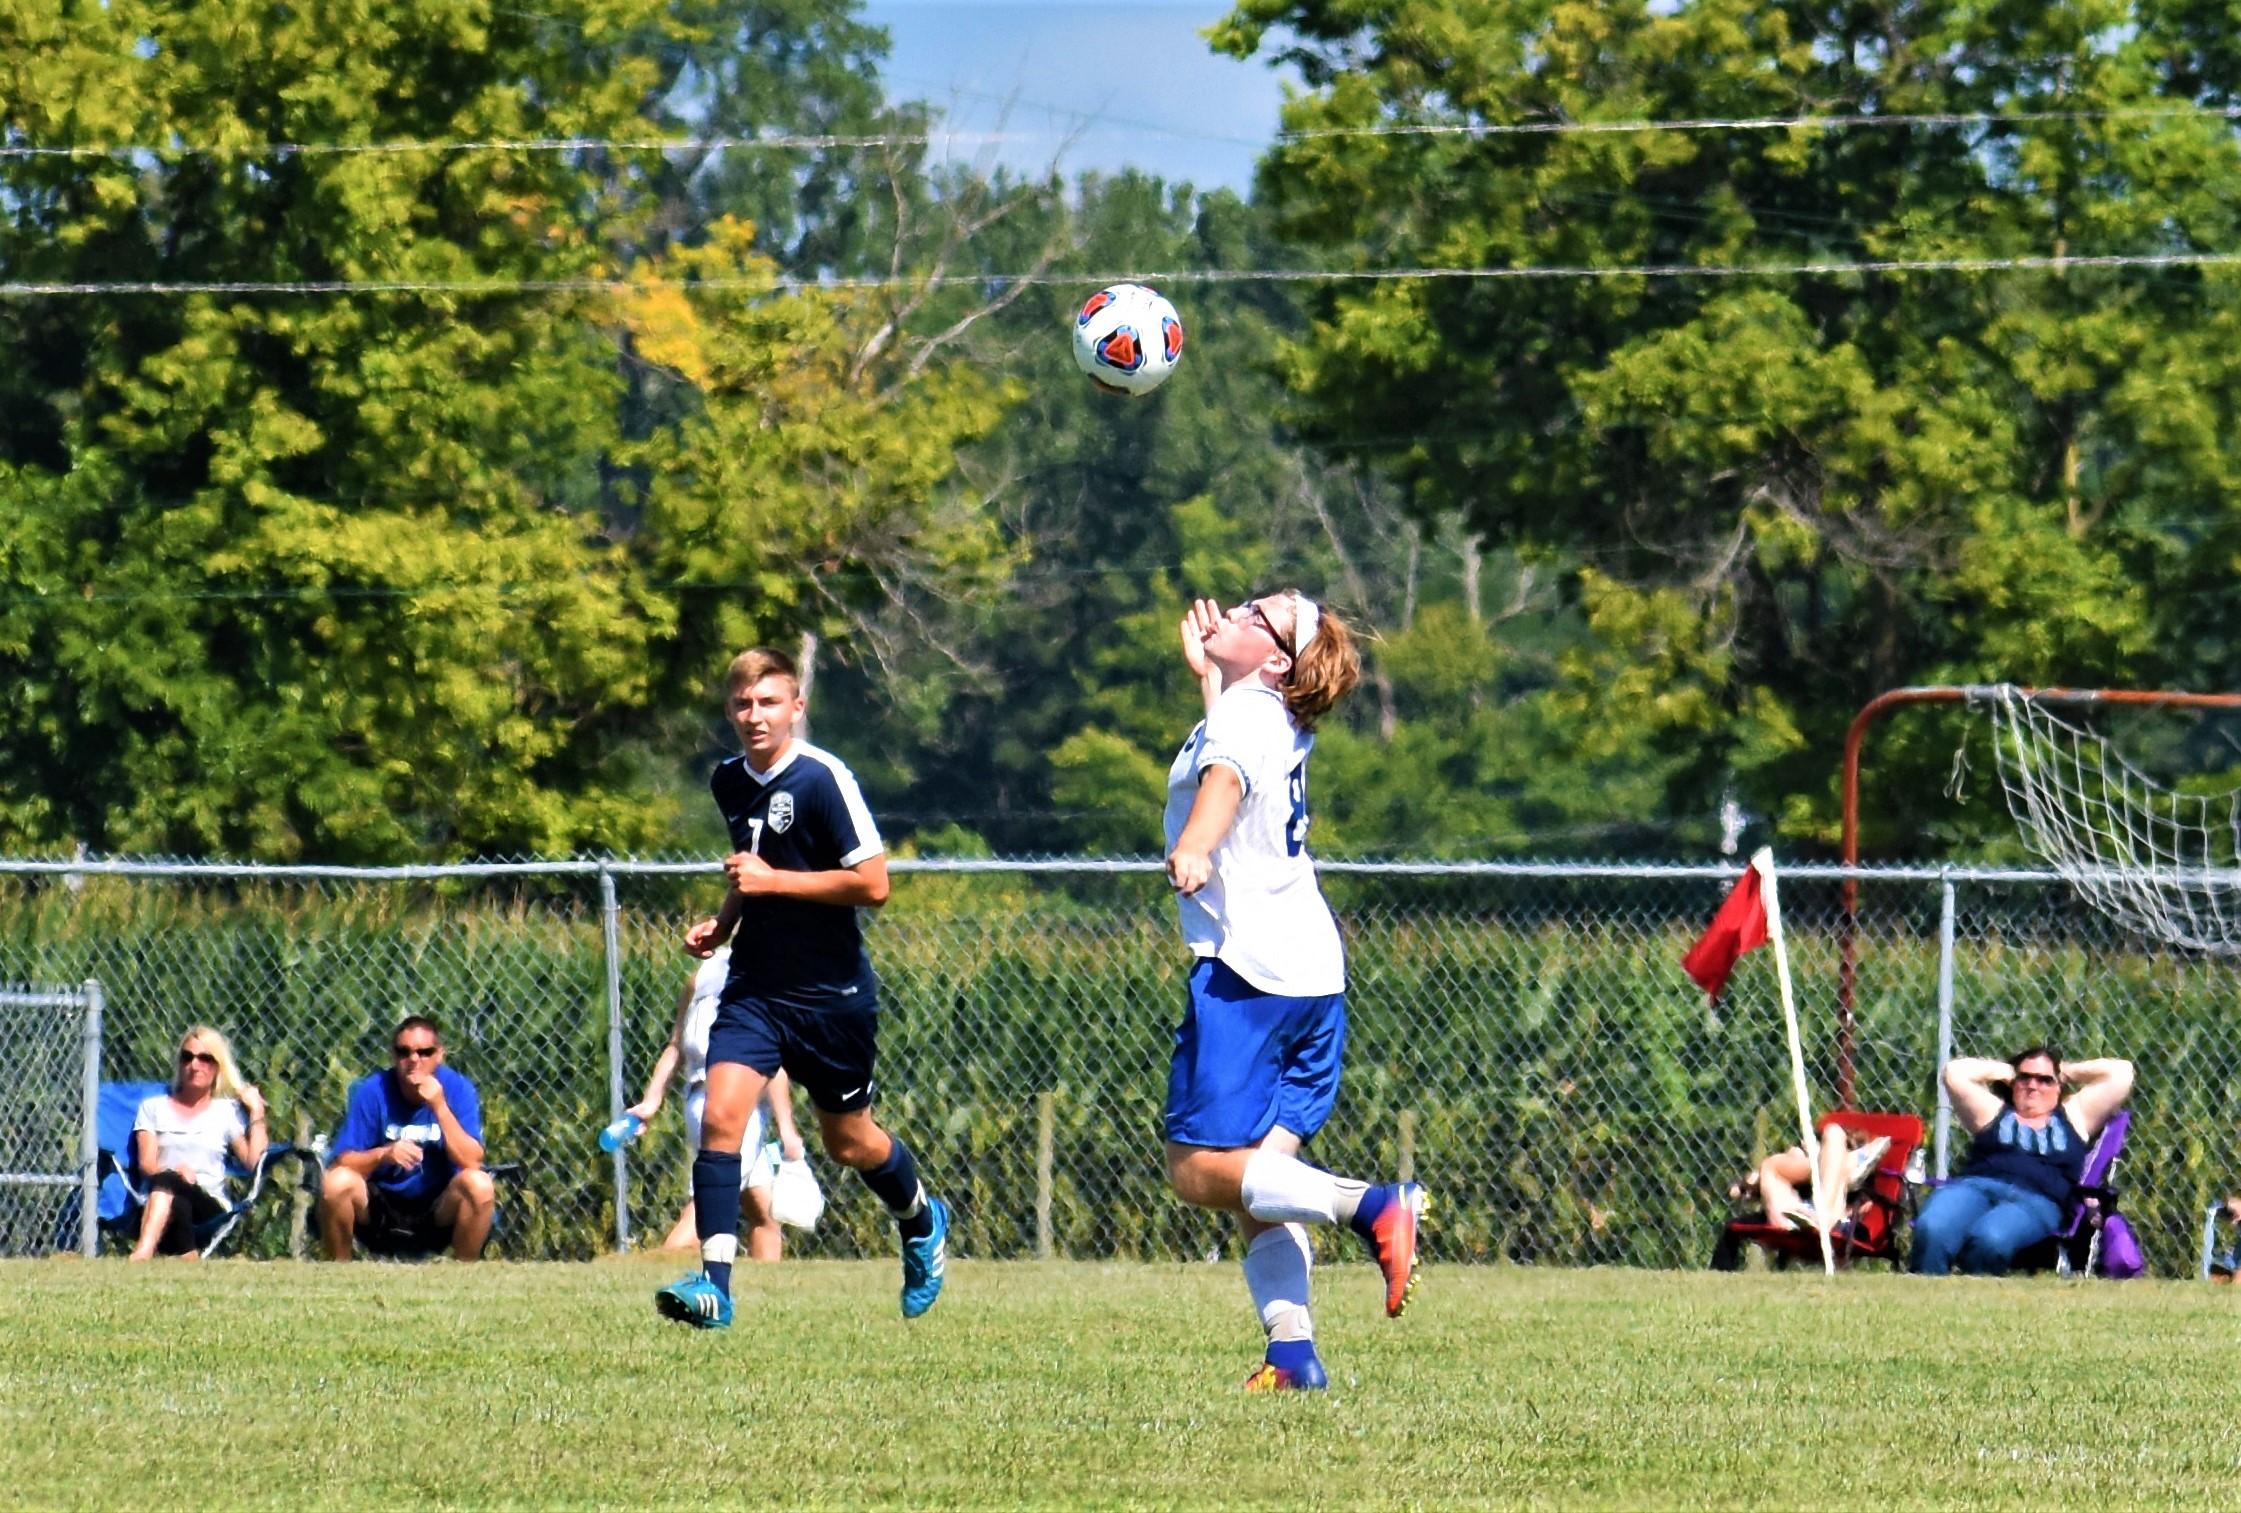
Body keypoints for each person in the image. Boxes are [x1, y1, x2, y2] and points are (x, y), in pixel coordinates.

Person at [1160, 590, 1425, 1393]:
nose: (1235, 610)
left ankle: (1373, 1204)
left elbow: (1225, 780)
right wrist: (1208, 676)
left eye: (1257, 614)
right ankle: (1291, 1352)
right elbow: (1230, 742)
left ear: (1275, 659)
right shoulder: (1266, 711)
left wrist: (1197, 846)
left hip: (1252, 977)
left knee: (1194, 1167)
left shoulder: (1248, 718)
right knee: (1256, 1190)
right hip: (1311, 975)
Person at [654, 646, 948, 1330]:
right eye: (741, 704)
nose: (754, 716)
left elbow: (873, 885)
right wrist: (724, 923)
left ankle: (921, 1218)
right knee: (721, 1117)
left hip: (829, 995)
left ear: (796, 707)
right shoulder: (728, 779)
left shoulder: (823, 779)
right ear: (729, 710)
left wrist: (771, 883)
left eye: (768, 702)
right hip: (755, 985)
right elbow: (751, 868)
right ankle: (715, 1286)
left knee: (849, 1142)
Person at [628, 944, 809, 1258]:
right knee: (708, 1206)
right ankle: (664, 1261)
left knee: (763, 1213)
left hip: (700, 1099)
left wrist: (652, 1100)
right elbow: (772, 1061)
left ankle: (769, 1284)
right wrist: (787, 1130)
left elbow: (676, 1046)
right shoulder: (767, 978)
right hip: (737, 1108)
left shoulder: (701, 977)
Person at [1910, 1045, 2134, 1276]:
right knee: (1932, 1228)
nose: (2033, 1085)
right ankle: (1925, 1293)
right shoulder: (1993, 1112)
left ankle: (1971, 1300)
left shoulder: (2075, 1116)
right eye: (2024, 1078)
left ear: (2058, 1087)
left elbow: (2121, 1072)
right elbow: (1954, 1072)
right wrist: (2006, 1070)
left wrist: (2066, 1070)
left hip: (2037, 1201)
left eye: (2044, 1080)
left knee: (1991, 1239)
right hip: (1975, 1187)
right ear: (2013, 1084)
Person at [320, 1015, 497, 1261]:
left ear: (439, 1054)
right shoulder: (373, 1090)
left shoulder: (459, 1089)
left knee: (479, 1185)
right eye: (404, 1052)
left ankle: (464, 1275)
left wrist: (439, 1106)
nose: (414, 1060)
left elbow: (472, 1161)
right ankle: (338, 1269)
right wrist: (384, 1154)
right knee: (336, 1183)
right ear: (394, 1055)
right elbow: (343, 1161)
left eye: (424, 1052)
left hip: (438, 1206)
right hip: (381, 1205)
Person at [128, 1026, 267, 1260]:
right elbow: (148, 1165)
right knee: (174, 1194)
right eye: (187, 1057)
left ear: (218, 1066)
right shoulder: (153, 1108)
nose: (194, 1065)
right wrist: (175, 1173)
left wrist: (257, 1111)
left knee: (174, 1189)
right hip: (160, 1199)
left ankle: (143, 1251)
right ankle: (188, 1255)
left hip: (208, 1203)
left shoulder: (226, 1112)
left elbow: (254, 1162)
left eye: (205, 1059)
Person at [1728, 1126, 1889, 1232]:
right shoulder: (1783, 1171)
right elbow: (1736, 1191)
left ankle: (1846, 1163)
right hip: (1797, 1215)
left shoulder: (1859, 1189)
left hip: (1830, 1217)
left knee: (1834, 1133)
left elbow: (1863, 1207)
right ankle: (1850, 1164)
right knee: (1776, 1162)